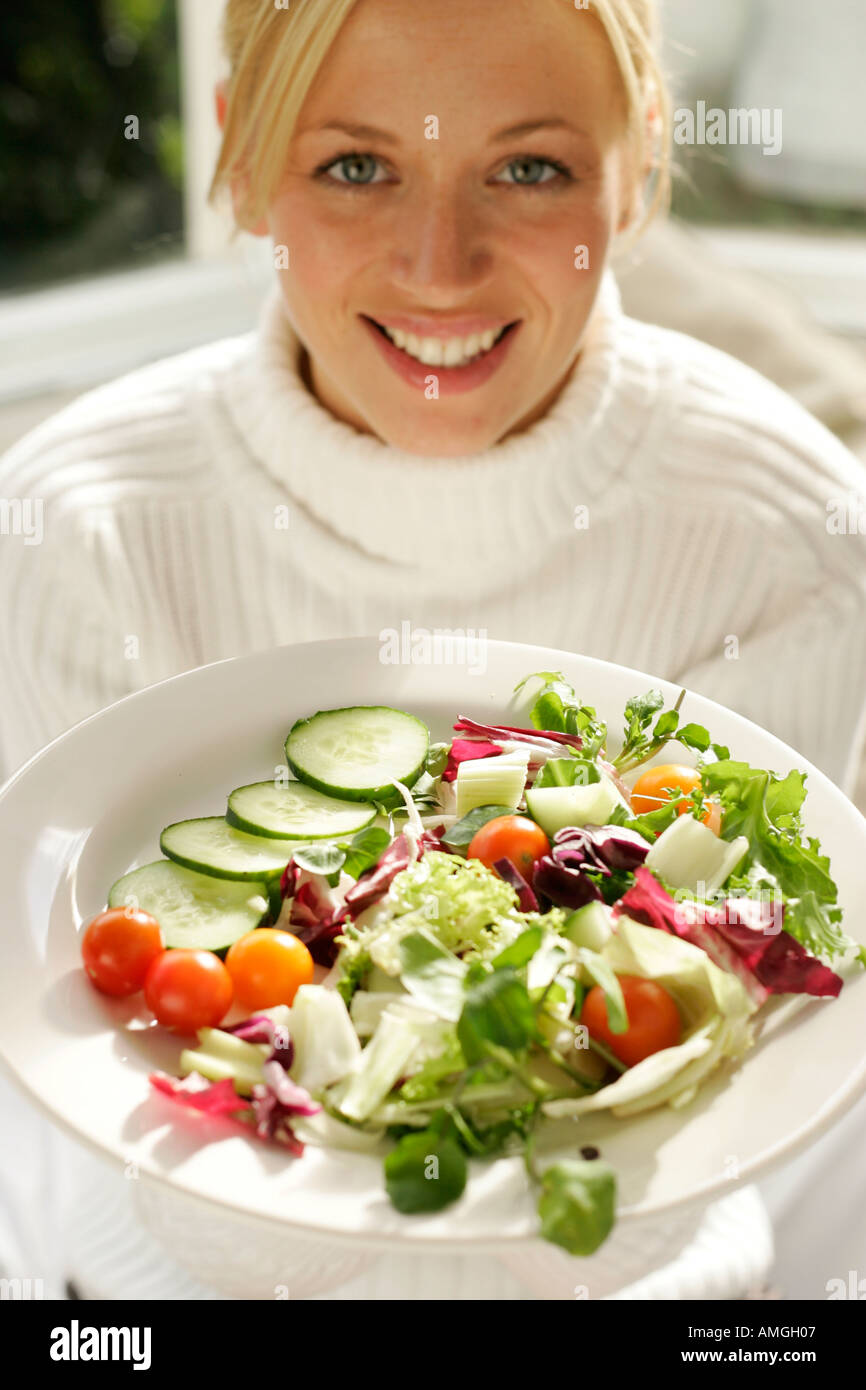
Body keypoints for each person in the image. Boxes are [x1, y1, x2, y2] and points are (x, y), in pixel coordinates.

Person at [0, 0, 864, 1300]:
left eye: (529, 167)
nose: (439, 267)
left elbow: (747, 1081)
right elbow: (81, 1053)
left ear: (638, 169)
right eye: (355, 165)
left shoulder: (786, 529)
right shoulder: (73, 528)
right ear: (239, 165)